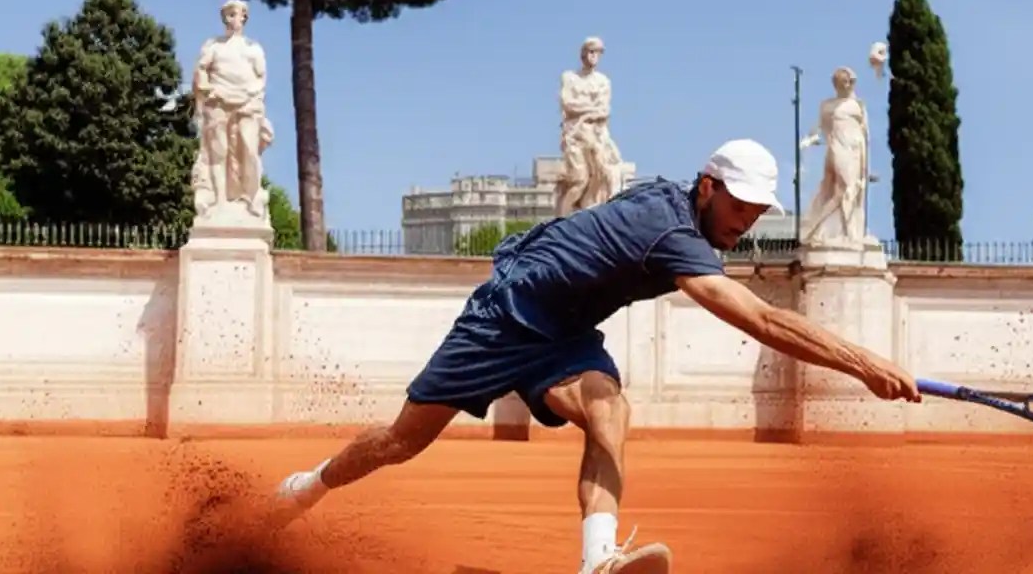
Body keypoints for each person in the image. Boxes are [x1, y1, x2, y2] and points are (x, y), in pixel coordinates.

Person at [272, 138, 922, 574]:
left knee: (610, 409)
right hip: (503, 318)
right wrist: (865, 364)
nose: (746, 221)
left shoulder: (676, 204)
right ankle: (306, 487)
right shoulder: (672, 231)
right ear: (707, 187)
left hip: (563, 334)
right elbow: (759, 318)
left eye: (757, 212)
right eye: (740, 206)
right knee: (401, 441)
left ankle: (598, 559)